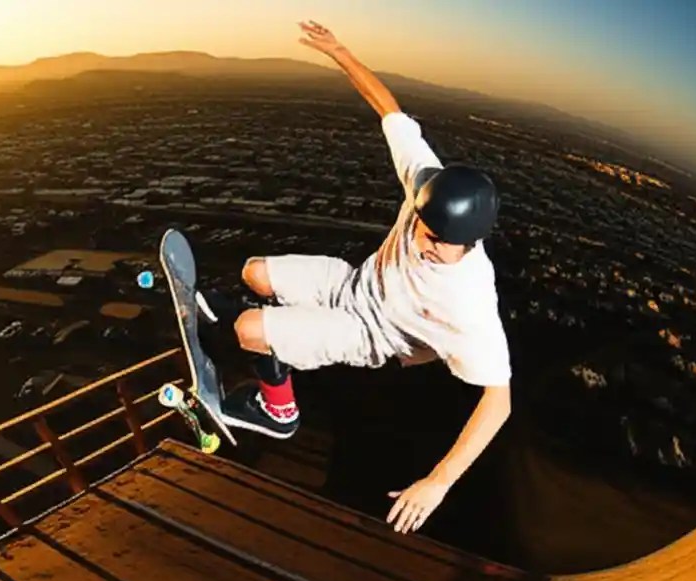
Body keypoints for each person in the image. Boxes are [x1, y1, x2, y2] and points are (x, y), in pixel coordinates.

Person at [197, 20, 513, 535]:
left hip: (368, 334)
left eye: (436, 242)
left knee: (250, 331)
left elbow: (498, 402)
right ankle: (258, 324)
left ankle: (279, 411)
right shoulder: (426, 182)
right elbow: (390, 111)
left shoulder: (470, 303)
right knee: (254, 272)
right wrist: (339, 50)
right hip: (350, 284)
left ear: (470, 243)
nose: (421, 242)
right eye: (421, 228)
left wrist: (438, 482)